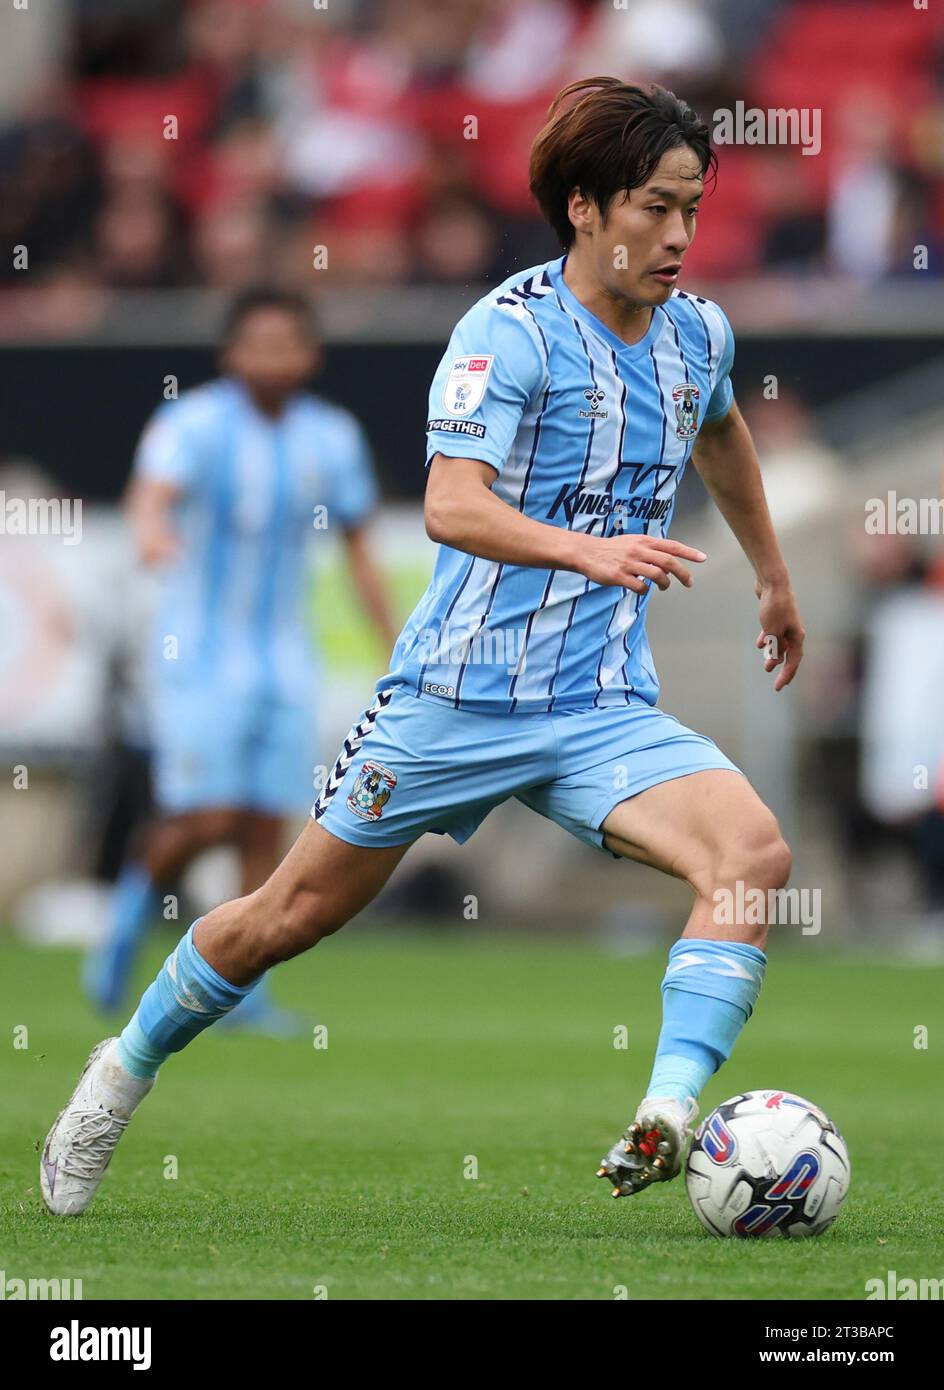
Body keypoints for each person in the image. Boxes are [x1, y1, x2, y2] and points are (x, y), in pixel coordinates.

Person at [41, 78, 805, 1217]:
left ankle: (667, 1110)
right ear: (586, 207)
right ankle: (118, 1073)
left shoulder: (696, 331)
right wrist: (584, 553)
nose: (680, 235)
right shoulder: (508, 332)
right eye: (655, 207)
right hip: (452, 701)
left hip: (597, 704)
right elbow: (452, 507)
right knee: (281, 919)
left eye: (692, 206)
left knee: (749, 858)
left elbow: (722, 431)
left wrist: (775, 574)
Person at [81, 287, 397, 1032]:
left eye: (288, 344)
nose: (273, 359)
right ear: (231, 352)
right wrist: (154, 532)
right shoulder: (191, 422)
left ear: (309, 354)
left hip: (284, 654)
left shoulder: (331, 436)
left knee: (266, 824)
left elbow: (357, 546)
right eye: (259, 344)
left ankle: (241, 989)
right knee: (207, 813)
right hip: (198, 650)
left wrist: (395, 640)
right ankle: (127, 918)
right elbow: (150, 495)